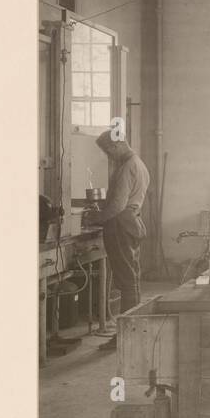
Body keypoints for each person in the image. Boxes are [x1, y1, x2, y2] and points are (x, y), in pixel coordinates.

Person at [83, 128, 150, 349]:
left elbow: (117, 206)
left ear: (117, 145)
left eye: (108, 151)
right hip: (132, 222)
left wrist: (96, 218)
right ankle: (135, 331)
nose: (108, 156)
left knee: (126, 281)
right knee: (132, 279)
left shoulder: (126, 168)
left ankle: (124, 337)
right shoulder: (139, 164)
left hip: (121, 225)